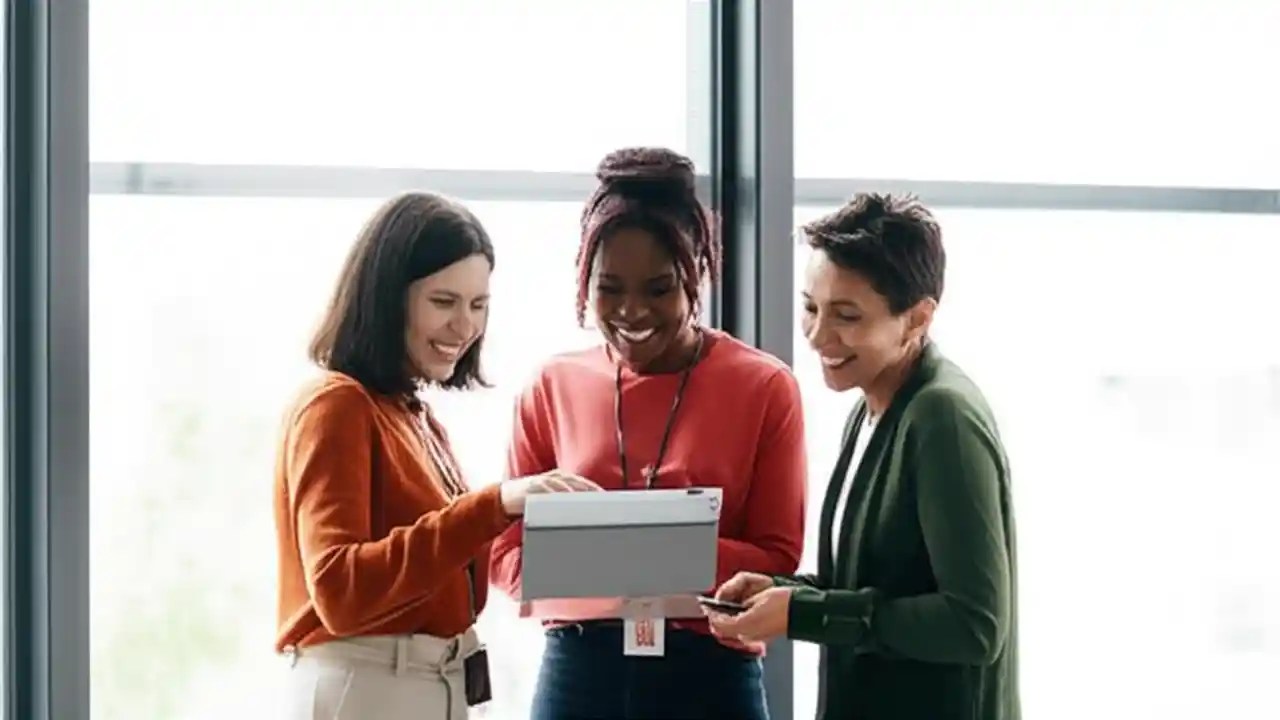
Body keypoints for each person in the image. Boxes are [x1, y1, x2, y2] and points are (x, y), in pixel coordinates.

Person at [489, 147, 807, 720]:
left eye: (659, 289)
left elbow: (777, 560)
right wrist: (679, 546)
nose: (632, 311)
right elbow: (508, 556)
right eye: (610, 288)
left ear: (697, 276)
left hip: (712, 673)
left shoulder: (764, 386)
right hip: (577, 674)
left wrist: (590, 550)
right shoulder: (551, 385)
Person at [272, 192, 600, 720]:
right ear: (386, 298)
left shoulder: (412, 415)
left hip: (423, 685)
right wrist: (496, 504)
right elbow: (339, 590)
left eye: (479, 305)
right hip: (370, 687)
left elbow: (444, 560)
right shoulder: (337, 406)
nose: (465, 327)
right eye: (443, 302)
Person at [706, 193, 1021, 720]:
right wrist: (782, 593)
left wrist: (803, 612)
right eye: (811, 307)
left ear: (918, 318)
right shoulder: (872, 403)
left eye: (847, 316)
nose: (817, 336)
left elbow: (975, 624)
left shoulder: (941, 418)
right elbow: (879, 586)